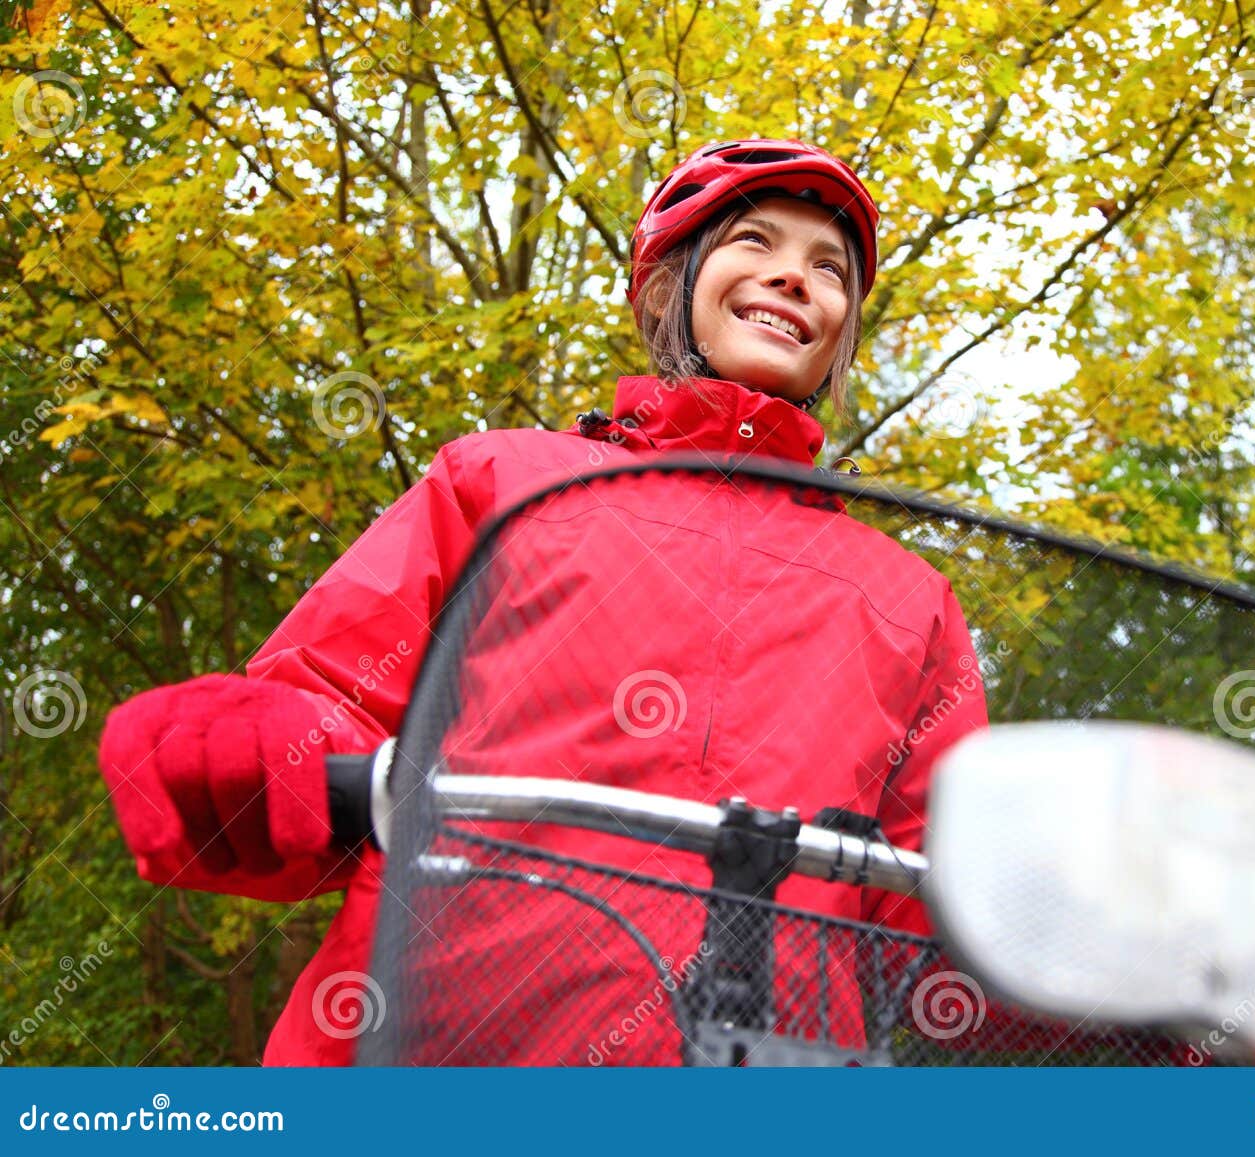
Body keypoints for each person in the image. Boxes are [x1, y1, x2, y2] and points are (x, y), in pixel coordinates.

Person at [98, 139, 989, 1064]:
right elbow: (330, 700)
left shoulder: (909, 599)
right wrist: (251, 744)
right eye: (754, 241)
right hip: (435, 1056)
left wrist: (1056, 945)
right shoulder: (504, 481)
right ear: (668, 287)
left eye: (829, 268)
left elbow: (938, 907)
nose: (795, 277)